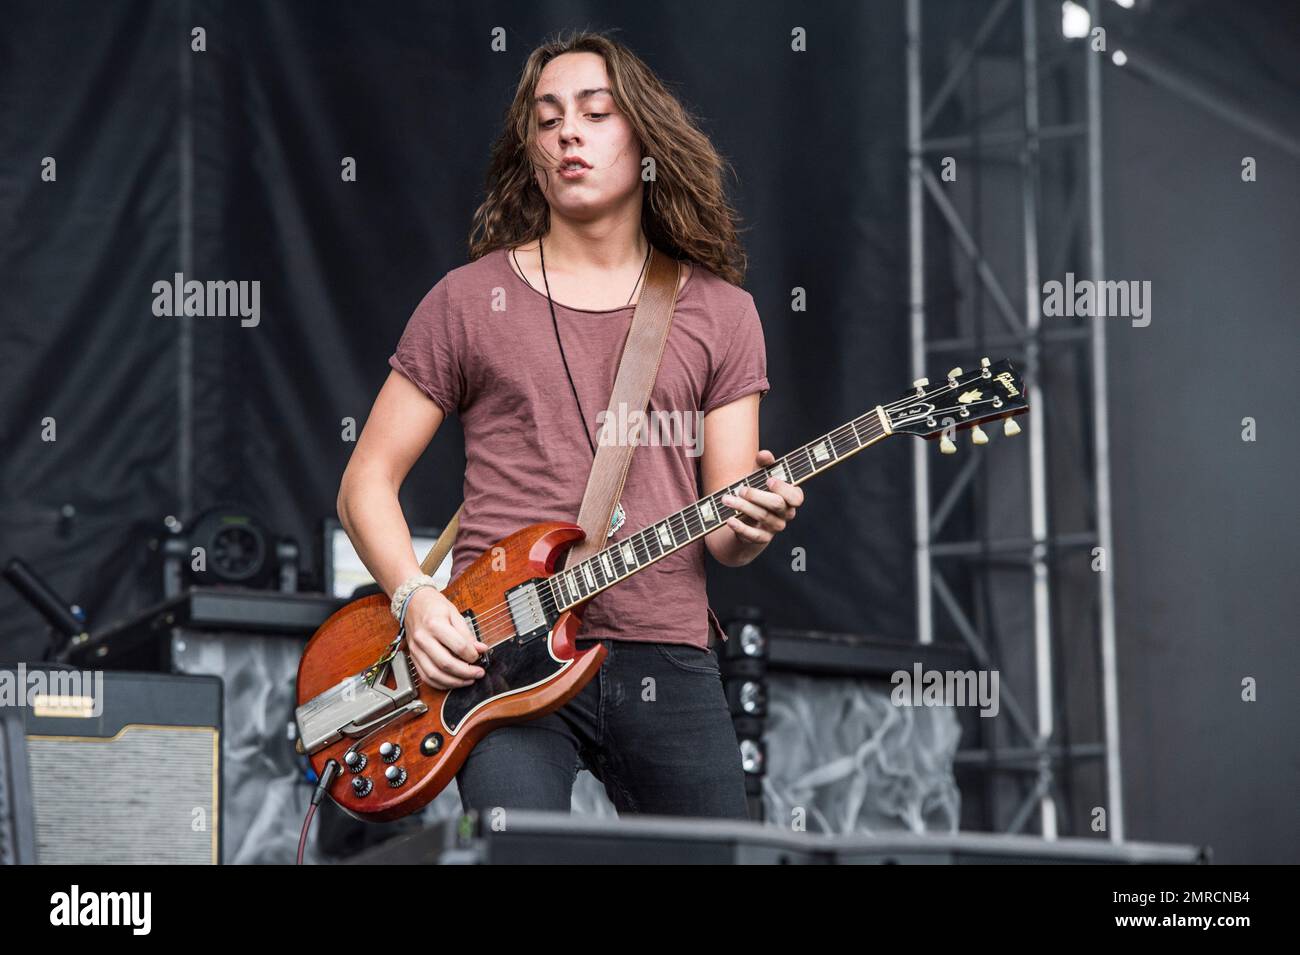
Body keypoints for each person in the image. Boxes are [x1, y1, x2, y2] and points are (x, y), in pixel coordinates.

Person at [337, 29, 803, 819]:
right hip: (500, 651)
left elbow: (727, 530)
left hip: (666, 645)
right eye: (547, 120)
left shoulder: (724, 313)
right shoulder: (466, 301)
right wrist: (417, 599)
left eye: (595, 113)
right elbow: (364, 483)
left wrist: (758, 521)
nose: (568, 135)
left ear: (644, 136)